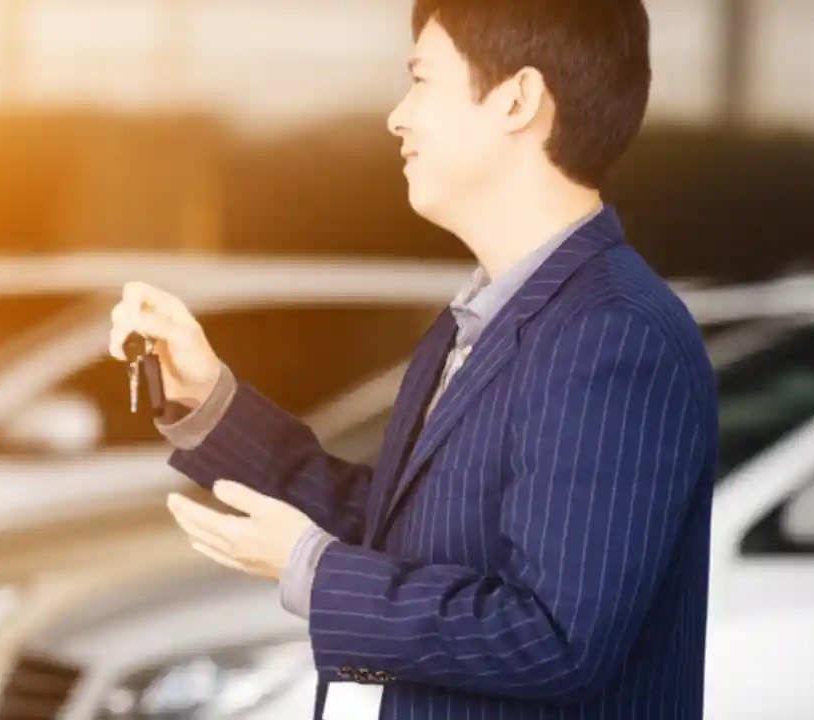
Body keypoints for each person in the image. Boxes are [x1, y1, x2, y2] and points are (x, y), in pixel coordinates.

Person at [108, 0, 718, 717]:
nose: (399, 117)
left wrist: (316, 572)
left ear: (517, 100)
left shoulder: (613, 333)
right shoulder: (483, 318)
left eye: (422, 80)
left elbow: (555, 639)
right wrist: (210, 403)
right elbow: (396, 534)